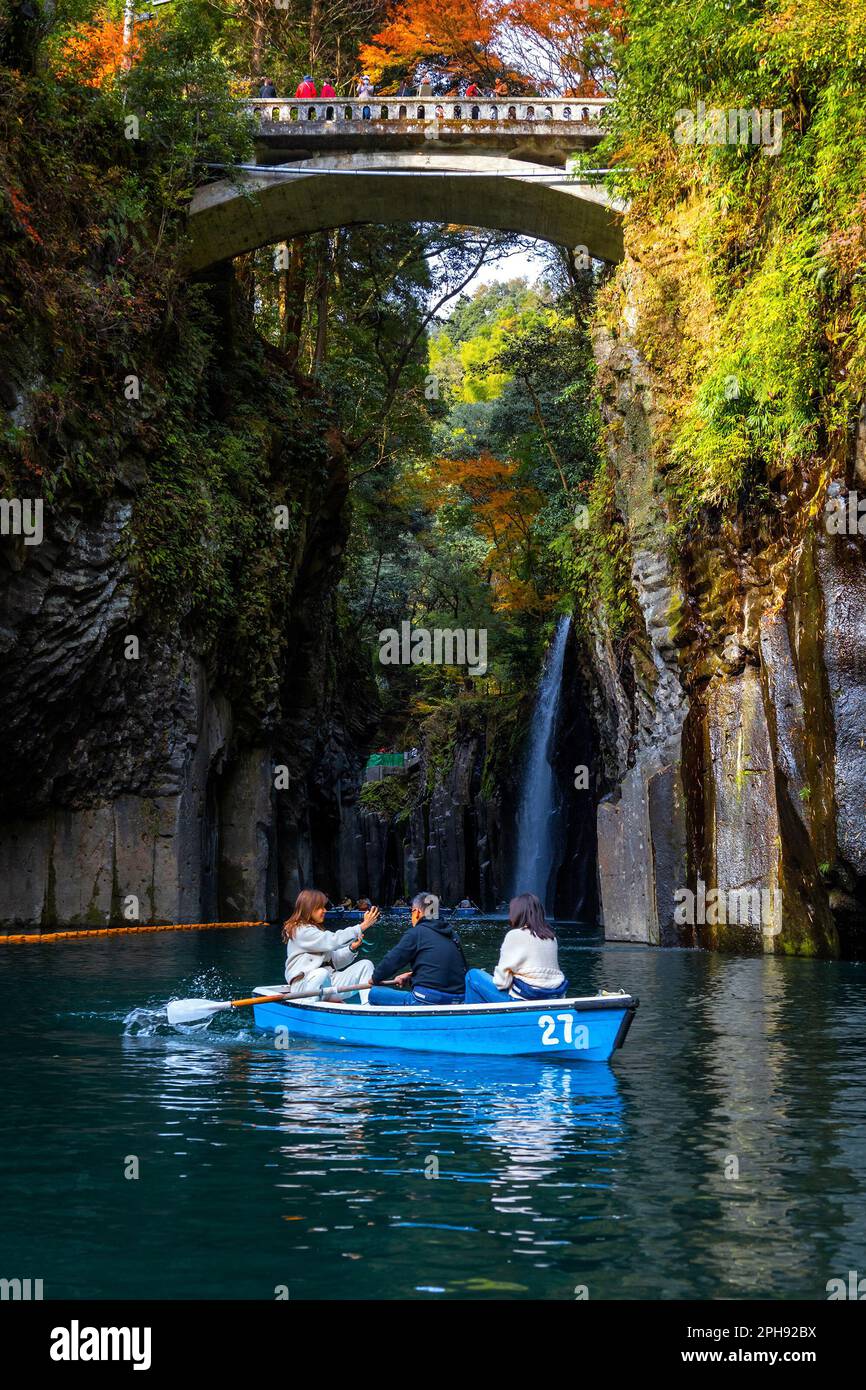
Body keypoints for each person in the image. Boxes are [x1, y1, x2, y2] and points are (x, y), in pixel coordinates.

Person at [464, 893, 568, 1002]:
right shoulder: (551, 938)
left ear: (517, 913)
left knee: (472, 976)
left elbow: (502, 983)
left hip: (524, 998)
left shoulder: (515, 935)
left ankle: (472, 1017)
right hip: (551, 997)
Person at [369, 893, 467, 1006]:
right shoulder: (453, 935)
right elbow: (458, 968)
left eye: (411, 912)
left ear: (417, 912)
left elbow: (392, 960)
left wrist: (375, 978)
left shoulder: (416, 933)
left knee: (374, 993)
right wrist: (412, 976)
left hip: (427, 1000)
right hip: (458, 1000)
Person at [283, 888, 378, 1000]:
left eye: (324, 907)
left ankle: (368, 1008)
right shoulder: (300, 931)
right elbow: (333, 940)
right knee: (321, 973)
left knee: (366, 965)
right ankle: (312, 1010)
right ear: (309, 908)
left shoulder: (317, 932)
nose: (325, 910)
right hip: (304, 987)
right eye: (320, 907)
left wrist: (351, 948)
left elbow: (334, 962)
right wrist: (362, 927)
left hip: (328, 983)